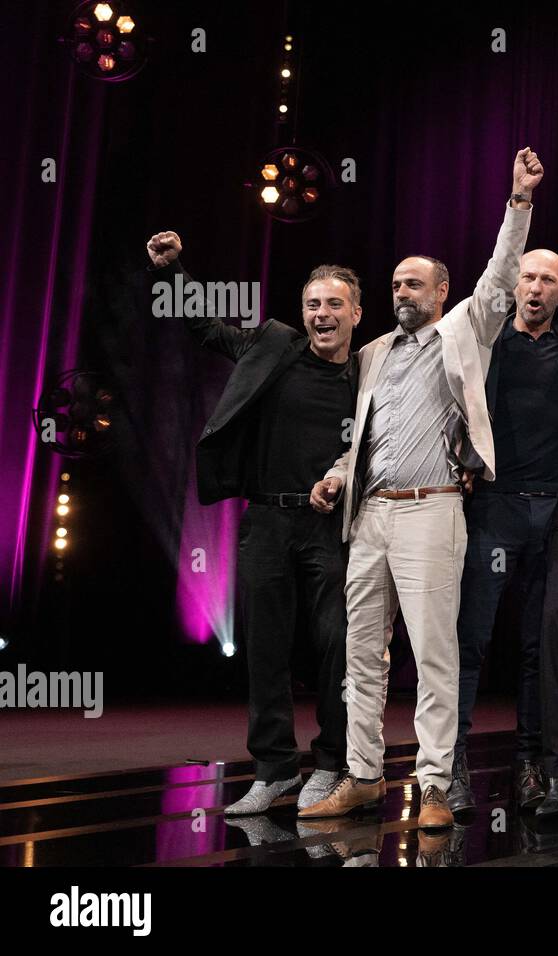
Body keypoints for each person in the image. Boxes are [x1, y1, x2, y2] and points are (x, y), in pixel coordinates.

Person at [299, 148, 543, 829]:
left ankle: (433, 784)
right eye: (396, 285)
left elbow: (499, 278)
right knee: (361, 655)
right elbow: (364, 441)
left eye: (415, 285)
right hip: (369, 516)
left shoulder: (465, 331)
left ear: (441, 293)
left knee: (435, 653)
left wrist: (518, 202)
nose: (402, 293)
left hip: (433, 509)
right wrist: (337, 476)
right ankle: (363, 775)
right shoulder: (372, 352)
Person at [143, 232, 359, 815]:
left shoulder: (368, 374)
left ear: (356, 314)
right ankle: (273, 770)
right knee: (265, 648)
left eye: (334, 304)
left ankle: (333, 764)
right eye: (314, 303)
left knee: (338, 647)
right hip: (266, 517)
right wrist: (174, 271)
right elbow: (206, 329)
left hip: (334, 528)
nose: (321, 313)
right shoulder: (274, 345)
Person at [448, 249, 558, 813]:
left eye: (547, 279)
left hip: (556, 511)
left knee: (538, 647)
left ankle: (529, 762)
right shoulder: (488, 340)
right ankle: (451, 764)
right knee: (471, 640)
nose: (534, 286)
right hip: (496, 507)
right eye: (526, 276)